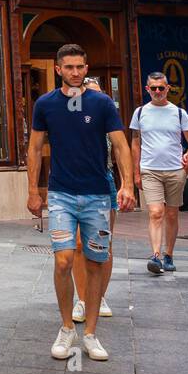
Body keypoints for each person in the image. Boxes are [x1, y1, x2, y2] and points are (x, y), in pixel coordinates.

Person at [27, 43, 134, 363]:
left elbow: (120, 145)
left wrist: (127, 184)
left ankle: (90, 333)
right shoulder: (45, 104)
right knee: (63, 261)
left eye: (81, 67)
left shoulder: (102, 103)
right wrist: (34, 190)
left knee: (95, 261)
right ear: (58, 69)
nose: (75, 72)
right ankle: (65, 328)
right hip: (61, 194)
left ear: (87, 69)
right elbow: (34, 148)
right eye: (69, 67)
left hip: (98, 195)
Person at [130, 72, 188, 275]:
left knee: (171, 214)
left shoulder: (179, 113)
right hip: (150, 170)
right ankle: (156, 256)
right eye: (154, 88)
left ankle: (169, 254)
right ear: (147, 90)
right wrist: (136, 171)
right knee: (155, 213)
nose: (158, 92)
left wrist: (186, 167)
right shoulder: (140, 112)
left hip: (174, 171)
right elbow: (135, 142)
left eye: (162, 88)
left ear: (168, 88)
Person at [70, 77, 118, 325]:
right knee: (79, 244)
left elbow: (119, 148)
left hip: (103, 180)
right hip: (75, 182)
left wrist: (129, 184)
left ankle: (99, 297)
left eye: (99, 95)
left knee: (103, 243)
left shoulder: (108, 116)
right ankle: (82, 299)